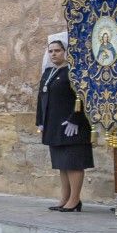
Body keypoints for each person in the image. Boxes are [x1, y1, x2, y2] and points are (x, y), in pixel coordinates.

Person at [37, 34, 92, 212]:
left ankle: (75, 199)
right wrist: (40, 121)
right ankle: (65, 197)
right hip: (54, 125)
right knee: (61, 163)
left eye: (58, 51)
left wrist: (76, 119)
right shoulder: (48, 72)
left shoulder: (75, 72)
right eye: (51, 51)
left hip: (72, 126)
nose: (54, 54)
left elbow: (84, 97)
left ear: (66, 52)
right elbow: (41, 98)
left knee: (73, 162)